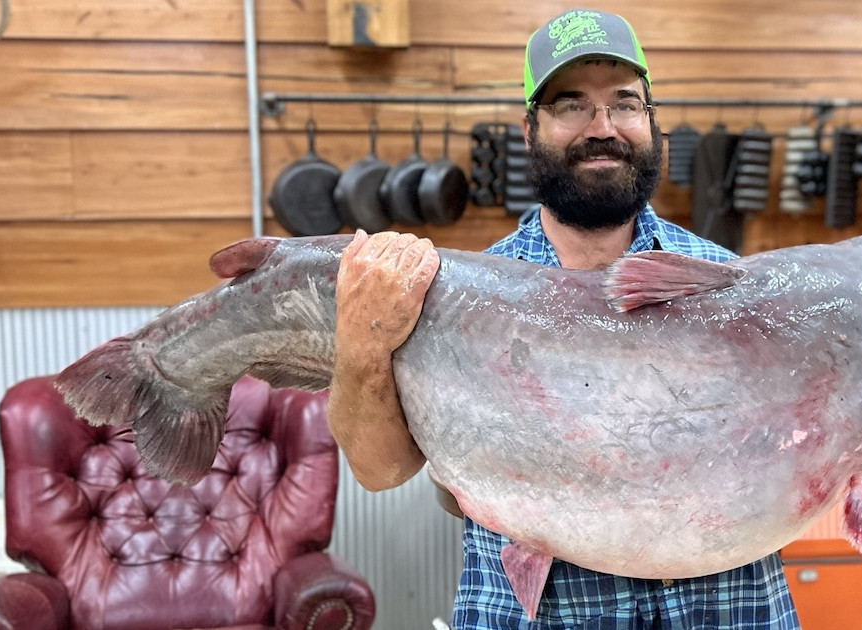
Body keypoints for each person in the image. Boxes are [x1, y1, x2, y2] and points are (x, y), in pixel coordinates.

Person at [328, 7, 802, 629]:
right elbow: (380, 469)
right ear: (530, 130)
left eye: (624, 103)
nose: (602, 127)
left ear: (652, 123)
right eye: (571, 104)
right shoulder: (453, 297)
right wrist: (361, 343)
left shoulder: (733, 286)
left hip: (728, 611)